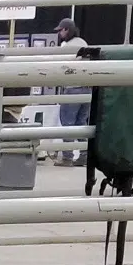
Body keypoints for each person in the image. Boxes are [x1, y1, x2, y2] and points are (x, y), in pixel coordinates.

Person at [54, 18, 90, 166]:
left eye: (60, 30)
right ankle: (84, 154)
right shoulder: (83, 43)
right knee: (81, 123)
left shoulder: (66, 46)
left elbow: (61, 66)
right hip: (87, 88)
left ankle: (67, 157)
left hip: (72, 88)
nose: (59, 34)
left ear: (66, 30)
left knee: (68, 123)